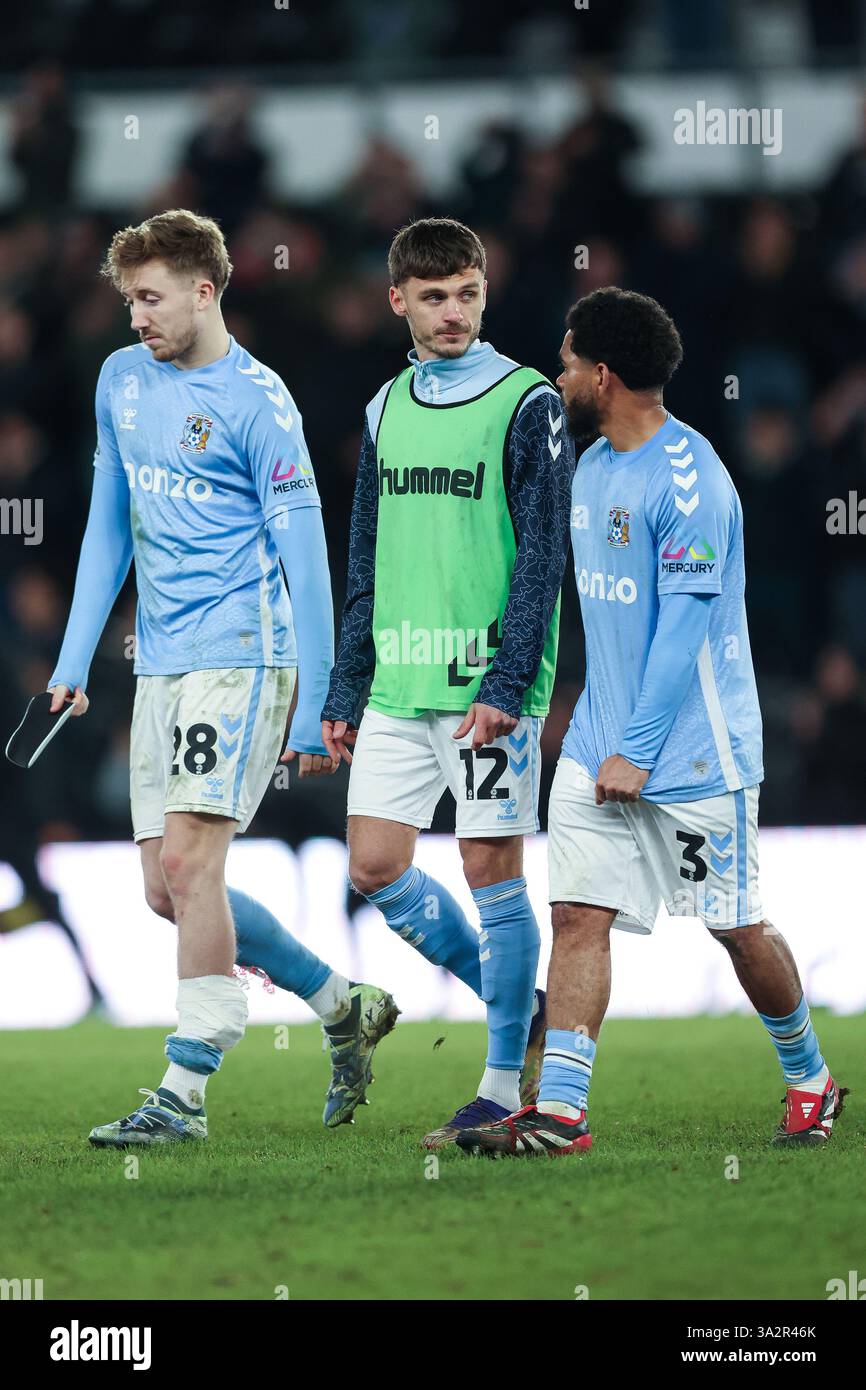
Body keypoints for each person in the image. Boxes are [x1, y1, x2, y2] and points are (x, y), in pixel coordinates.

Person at [457, 286, 846, 1157]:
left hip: (695, 755)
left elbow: (684, 627)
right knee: (577, 918)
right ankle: (560, 1114)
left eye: (564, 363)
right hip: (598, 743)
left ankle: (811, 1081)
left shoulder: (694, 480)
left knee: (736, 926)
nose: (556, 376)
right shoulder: (589, 469)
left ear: (602, 374)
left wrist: (638, 748)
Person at [48, 209, 397, 1147]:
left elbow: (306, 558)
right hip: (158, 664)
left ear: (207, 290)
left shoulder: (260, 403)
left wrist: (325, 694)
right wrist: (76, 658)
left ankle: (185, 1089)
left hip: (244, 654)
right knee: (166, 892)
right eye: (129, 300)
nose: (136, 318)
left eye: (151, 298)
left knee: (191, 865)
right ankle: (340, 1004)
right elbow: (107, 526)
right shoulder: (121, 381)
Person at [321, 218, 573, 1148]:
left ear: (482, 292)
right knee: (376, 865)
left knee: (488, 872)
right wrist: (347, 689)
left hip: (485, 690)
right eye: (434, 297)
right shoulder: (386, 407)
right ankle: (525, 1007)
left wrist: (510, 678)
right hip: (397, 680)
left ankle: (503, 1081)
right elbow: (366, 552)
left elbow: (545, 553)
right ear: (399, 301)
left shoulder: (527, 402)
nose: (453, 312)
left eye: (466, 292)